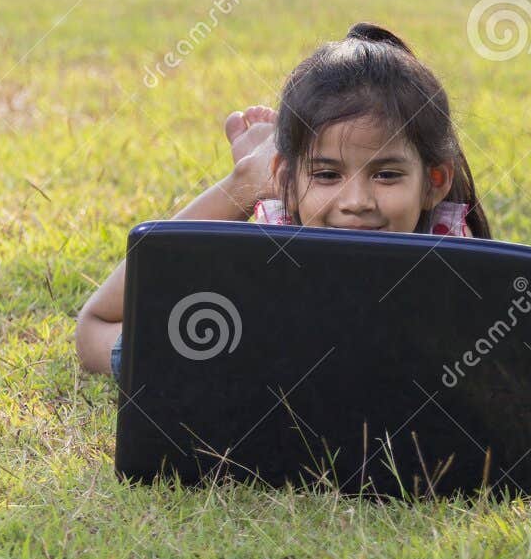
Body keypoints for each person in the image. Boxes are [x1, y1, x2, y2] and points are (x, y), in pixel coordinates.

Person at [75, 22, 492, 386]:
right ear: (289, 184)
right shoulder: (271, 238)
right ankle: (251, 175)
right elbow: (98, 323)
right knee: (112, 340)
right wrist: (251, 186)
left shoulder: (454, 250)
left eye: (386, 175)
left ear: (434, 182)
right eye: (328, 174)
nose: (357, 202)